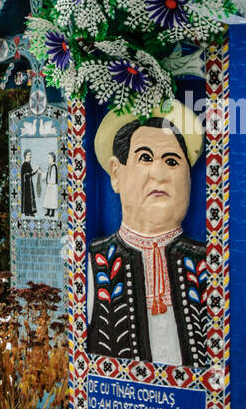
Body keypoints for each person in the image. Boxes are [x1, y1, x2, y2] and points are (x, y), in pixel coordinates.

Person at [86, 102, 208, 367]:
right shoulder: (95, 264)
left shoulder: (207, 264)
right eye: (145, 157)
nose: (159, 174)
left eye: (172, 161)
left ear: (188, 178)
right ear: (117, 174)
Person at [20, 149, 37, 217]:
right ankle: (27, 211)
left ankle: (31, 211)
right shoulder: (24, 165)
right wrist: (33, 172)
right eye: (29, 155)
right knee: (27, 198)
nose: (30, 156)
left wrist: (35, 170)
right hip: (26, 185)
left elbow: (31, 173)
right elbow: (25, 175)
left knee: (30, 197)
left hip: (29, 183)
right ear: (25, 155)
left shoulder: (28, 164)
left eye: (30, 154)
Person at [43, 151, 60, 217]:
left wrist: (50, 183)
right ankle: (48, 211)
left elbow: (53, 177)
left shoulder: (53, 166)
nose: (48, 159)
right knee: (48, 199)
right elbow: (46, 174)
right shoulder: (49, 166)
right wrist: (41, 173)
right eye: (48, 158)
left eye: (49, 158)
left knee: (52, 199)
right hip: (49, 185)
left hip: (52, 186)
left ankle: (52, 213)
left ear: (53, 158)